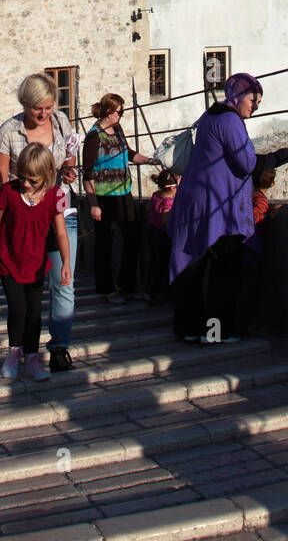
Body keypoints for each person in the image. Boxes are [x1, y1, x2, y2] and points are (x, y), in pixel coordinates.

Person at [167, 72, 269, 343]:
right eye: (253, 99)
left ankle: (190, 329)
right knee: (225, 270)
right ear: (239, 96)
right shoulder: (230, 120)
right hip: (218, 206)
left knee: (194, 265)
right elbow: (246, 163)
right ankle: (218, 332)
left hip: (194, 199)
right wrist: (277, 156)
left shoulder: (210, 116)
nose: (255, 105)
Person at [0, 74, 79, 372]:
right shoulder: (8, 132)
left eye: (48, 107)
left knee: (64, 282)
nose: (44, 115)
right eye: (37, 109)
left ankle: (58, 348)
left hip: (58, 210)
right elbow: (0, 185)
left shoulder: (61, 122)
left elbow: (70, 158)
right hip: (25, 220)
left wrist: (69, 171)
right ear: (25, 105)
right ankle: (23, 351)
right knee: (27, 295)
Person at [0, 144, 71, 382]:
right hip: (9, 260)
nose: (26, 184)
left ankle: (33, 358)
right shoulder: (9, 192)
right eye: (23, 177)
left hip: (36, 262)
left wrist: (65, 262)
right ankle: (14, 353)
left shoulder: (55, 196)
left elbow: (61, 232)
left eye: (32, 180)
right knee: (18, 310)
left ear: (47, 176)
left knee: (34, 313)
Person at [82, 92, 153, 303]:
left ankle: (127, 285)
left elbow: (129, 154)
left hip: (124, 191)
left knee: (133, 237)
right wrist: (93, 204)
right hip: (104, 196)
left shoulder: (118, 129)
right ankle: (106, 288)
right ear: (108, 112)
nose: (121, 115)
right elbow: (87, 172)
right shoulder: (94, 136)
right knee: (105, 241)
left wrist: (151, 160)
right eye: (119, 112)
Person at [146, 168, 179, 303]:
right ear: (172, 188)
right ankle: (161, 295)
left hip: (152, 231)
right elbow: (166, 220)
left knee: (154, 263)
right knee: (163, 265)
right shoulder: (168, 203)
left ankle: (150, 292)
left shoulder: (155, 195)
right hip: (163, 236)